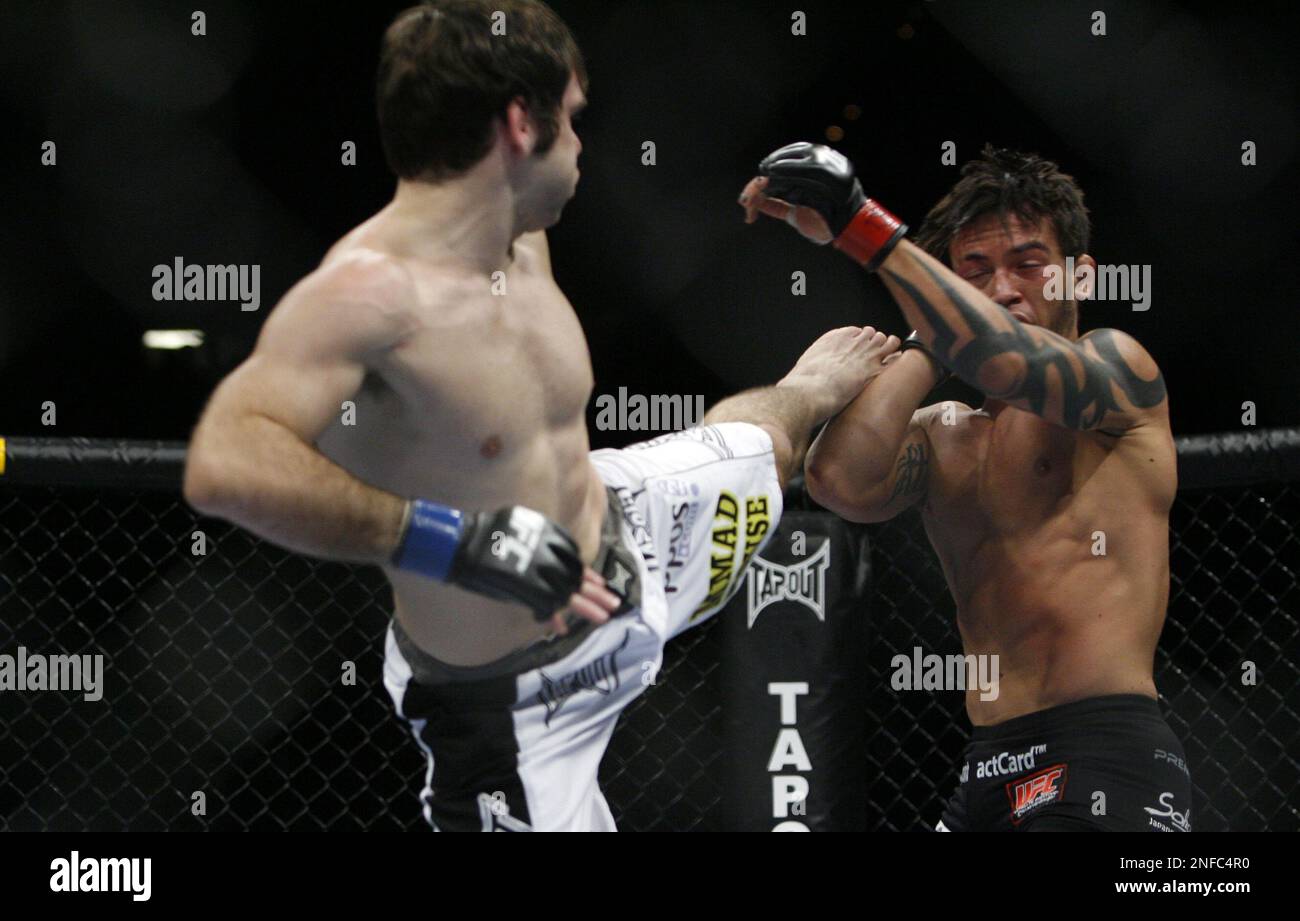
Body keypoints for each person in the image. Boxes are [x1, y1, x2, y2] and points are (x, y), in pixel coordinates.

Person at [183, 2, 898, 831]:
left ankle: (810, 385)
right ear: (523, 125)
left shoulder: (521, 238)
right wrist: (451, 541)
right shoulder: (372, 292)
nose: (585, 145)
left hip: (627, 536)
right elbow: (225, 462)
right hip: (520, 699)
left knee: (772, 439)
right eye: (575, 120)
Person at [740, 142, 1192, 832]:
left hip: (1101, 756)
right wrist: (926, 342)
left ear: (1082, 276)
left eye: (1029, 264)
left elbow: (1008, 360)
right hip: (984, 768)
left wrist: (861, 226)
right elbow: (838, 481)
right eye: (974, 272)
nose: (1003, 288)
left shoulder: (1117, 374)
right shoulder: (946, 433)